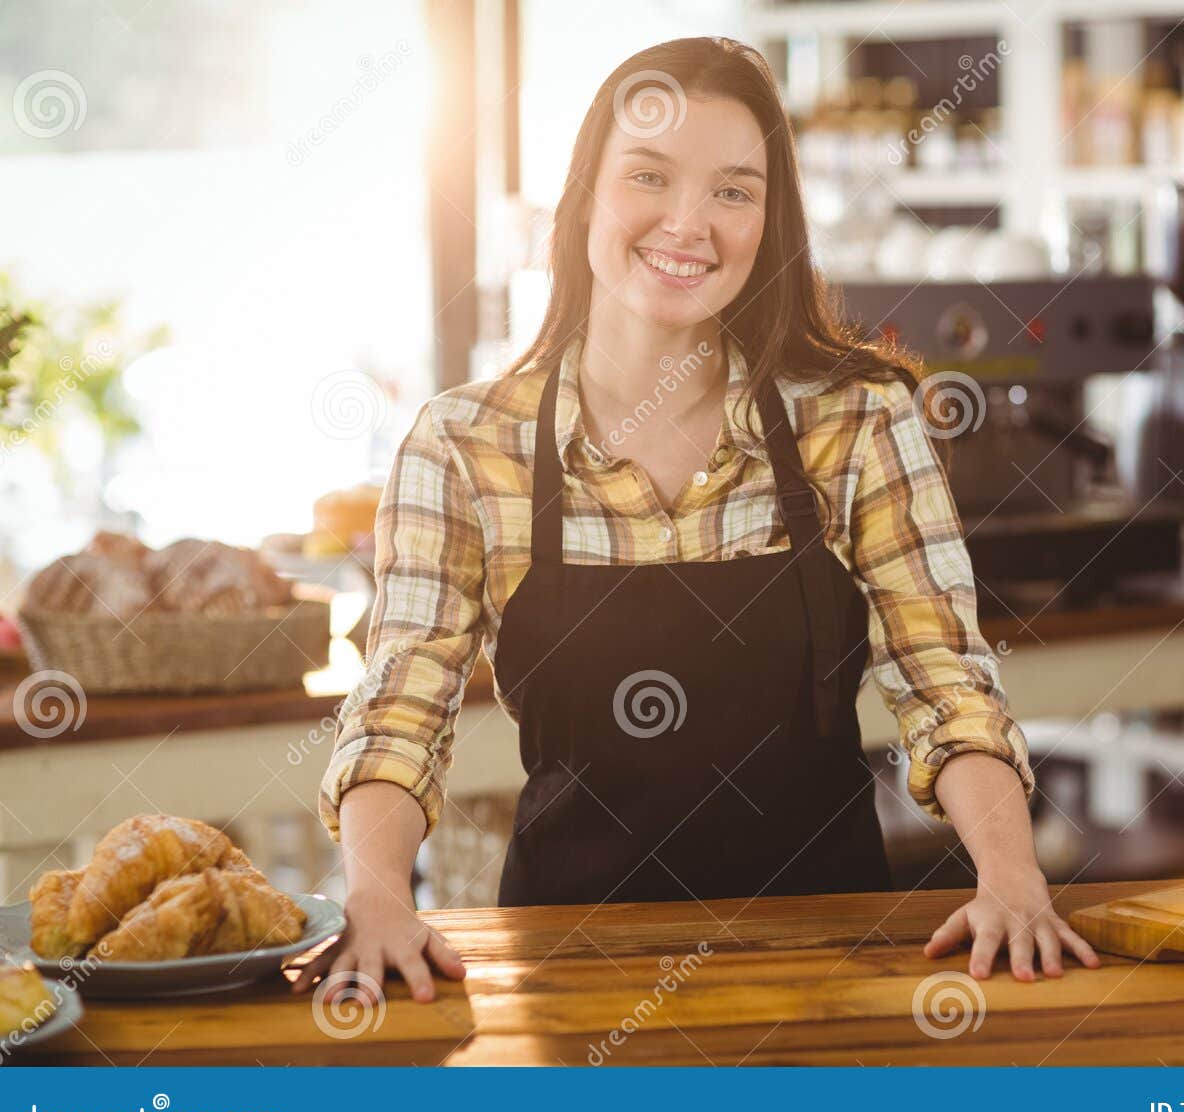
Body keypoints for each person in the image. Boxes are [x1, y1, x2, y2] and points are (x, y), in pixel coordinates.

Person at [296, 36, 1099, 1005]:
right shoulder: (465, 445)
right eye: (649, 177)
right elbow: (398, 710)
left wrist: (1009, 874)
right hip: (572, 968)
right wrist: (378, 894)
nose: (689, 224)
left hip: (824, 961)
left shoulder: (857, 419)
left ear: (770, 220)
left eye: (733, 190)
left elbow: (945, 682)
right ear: (583, 194)